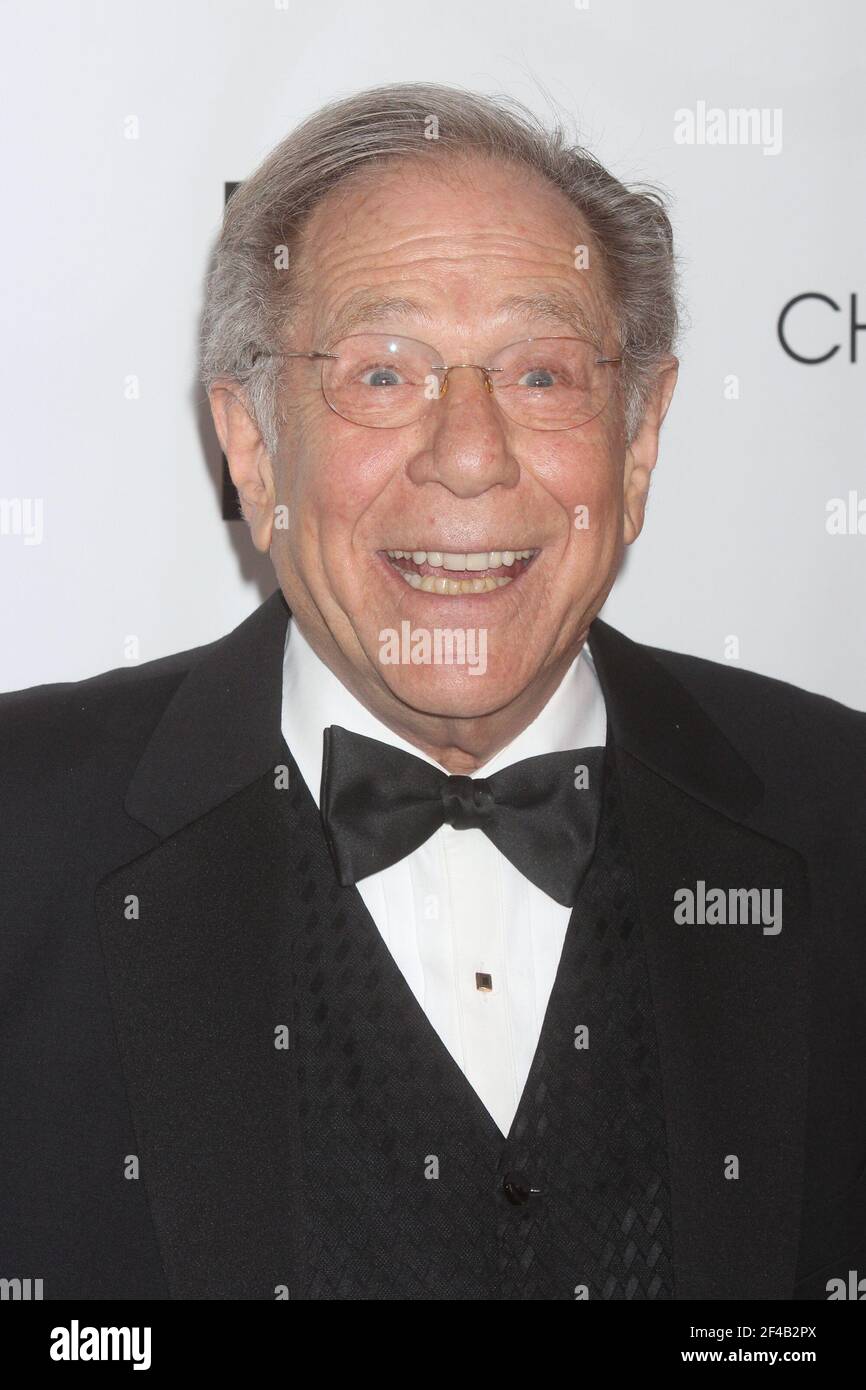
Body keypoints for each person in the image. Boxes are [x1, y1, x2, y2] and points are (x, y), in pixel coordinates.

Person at [2, 83, 864, 1302]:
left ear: (636, 440)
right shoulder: (20, 835)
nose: (468, 455)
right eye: (383, 371)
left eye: (542, 373)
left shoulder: (843, 819)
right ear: (250, 445)